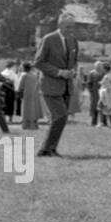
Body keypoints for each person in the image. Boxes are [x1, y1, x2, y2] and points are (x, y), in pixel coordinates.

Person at [32, 11, 79, 157]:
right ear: (60, 25)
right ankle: (46, 148)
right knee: (61, 116)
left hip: (66, 86)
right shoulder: (48, 39)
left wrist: (73, 71)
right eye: (67, 27)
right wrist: (58, 72)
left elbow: (74, 61)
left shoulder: (73, 41)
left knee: (59, 119)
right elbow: (38, 62)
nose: (70, 30)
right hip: (50, 85)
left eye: (72, 27)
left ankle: (49, 149)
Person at [19, 60, 40, 129]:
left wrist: (19, 92)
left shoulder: (25, 75)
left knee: (26, 109)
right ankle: (35, 124)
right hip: (35, 94)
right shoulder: (35, 75)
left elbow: (21, 86)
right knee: (34, 109)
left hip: (27, 94)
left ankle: (27, 125)